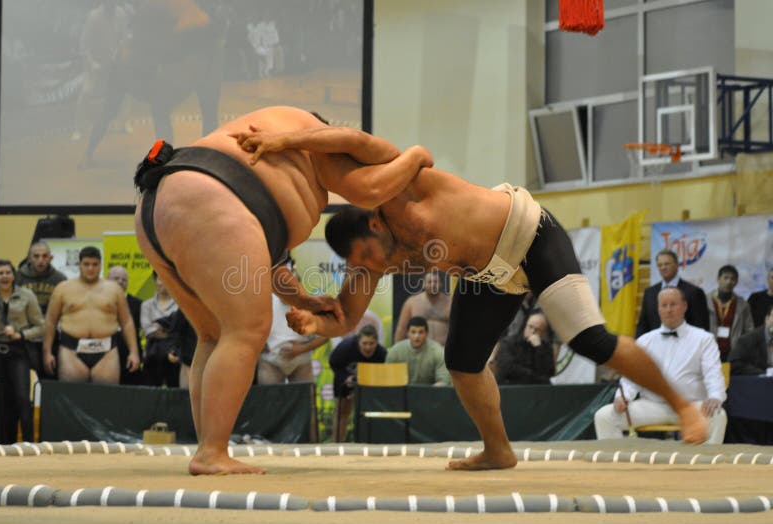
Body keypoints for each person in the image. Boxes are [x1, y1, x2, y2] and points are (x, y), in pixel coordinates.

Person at [270, 125, 708, 471]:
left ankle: (683, 405)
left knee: (589, 340)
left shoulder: (399, 188)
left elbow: (354, 141)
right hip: (487, 275)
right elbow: (346, 318)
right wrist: (316, 323)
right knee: (462, 363)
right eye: (360, 263)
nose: (371, 265)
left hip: (530, 233)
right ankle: (498, 450)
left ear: (376, 226)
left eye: (367, 254)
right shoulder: (369, 263)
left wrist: (287, 139)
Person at [132, 105, 433, 475]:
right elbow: (367, 183)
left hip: (159, 202)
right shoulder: (313, 137)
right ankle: (211, 453)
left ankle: (210, 446)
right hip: (212, 195)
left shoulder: (279, 154)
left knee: (213, 333)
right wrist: (416, 155)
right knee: (246, 331)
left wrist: (303, 300)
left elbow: (266, 264)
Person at [594, 287, 727, 444]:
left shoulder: (704, 339)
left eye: (673, 304)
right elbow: (632, 376)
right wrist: (622, 397)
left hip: (691, 405)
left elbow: (713, 373)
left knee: (719, 415)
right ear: (658, 309)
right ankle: (619, 463)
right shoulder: (645, 340)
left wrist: (715, 396)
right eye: (664, 305)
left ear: (684, 306)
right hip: (652, 406)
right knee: (603, 416)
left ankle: (706, 463)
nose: (669, 310)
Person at [43, 247, 140, 384]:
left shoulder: (114, 289)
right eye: (86, 264)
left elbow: (127, 322)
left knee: (106, 399)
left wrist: (134, 352)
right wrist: (47, 352)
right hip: (71, 351)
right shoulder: (63, 289)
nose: (90, 268)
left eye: (95, 264)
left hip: (107, 352)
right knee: (72, 400)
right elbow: (50, 321)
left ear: (100, 265)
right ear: (79, 265)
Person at [0, 260, 44, 443]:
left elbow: (41, 327)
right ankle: (6, 445)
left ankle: (30, 444)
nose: (4, 276)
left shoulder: (26, 296)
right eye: (0, 273)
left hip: (18, 353)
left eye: (8, 272)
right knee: (2, 402)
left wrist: (21, 334)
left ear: (14, 275)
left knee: (22, 399)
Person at [16, 241, 68, 380]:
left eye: (45, 256)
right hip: (25, 337)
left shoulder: (60, 279)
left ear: (51, 258)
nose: (41, 260)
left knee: (50, 376)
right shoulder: (17, 278)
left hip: (51, 337)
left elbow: (65, 309)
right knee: (27, 378)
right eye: (36, 256)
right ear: (29, 258)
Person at [328, 324, 387, 442]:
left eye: (371, 344)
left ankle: (367, 441)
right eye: (365, 343)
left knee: (366, 414)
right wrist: (346, 378)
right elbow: (333, 363)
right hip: (345, 379)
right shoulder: (346, 347)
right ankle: (337, 442)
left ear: (377, 343)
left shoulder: (381, 354)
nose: (368, 347)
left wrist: (361, 390)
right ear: (358, 342)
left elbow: (381, 376)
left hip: (368, 385)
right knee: (342, 412)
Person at [635, 249, 709, 337]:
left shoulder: (694, 292)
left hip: (686, 346)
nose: (663, 267)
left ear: (677, 265)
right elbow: (643, 325)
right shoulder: (649, 293)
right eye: (660, 265)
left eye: (667, 264)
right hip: (654, 346)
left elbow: (700, 326)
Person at [258, 293, 328, 384]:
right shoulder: (264, 302)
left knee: (305, 397)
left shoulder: (310, 305)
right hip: (270, 361)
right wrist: (258, 344)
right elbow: (247, 327)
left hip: (301, 362)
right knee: (270, 396)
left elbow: (325, 336)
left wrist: (302, 349)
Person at [489, 311, 555, 385]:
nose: (532, 331)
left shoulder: (545, 347)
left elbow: (549, 372)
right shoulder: (508, 343)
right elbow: (508, 368)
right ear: (525, 326)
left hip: (536, 389)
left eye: (537, 330)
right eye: (530, 327)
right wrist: (536, 376)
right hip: (511, 387)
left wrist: (539, 348)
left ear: (543, 333)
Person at [140, 272, 180, 387]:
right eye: (160, 279)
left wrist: (158, 325)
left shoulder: (181, 304)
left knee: (175, 391)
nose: (163, 283)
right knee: (150, 393)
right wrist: (170, 329)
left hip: (174, 353)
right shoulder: (146, 305)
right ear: (155, 281)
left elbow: (180, 330)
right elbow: (148, 331)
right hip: (152, 355)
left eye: (166, 279)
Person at [708, 265, 754, 362]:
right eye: (725, 278)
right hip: (709, 350)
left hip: (733, 352)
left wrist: (742, 348)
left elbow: (749, 330)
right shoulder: (705, 301)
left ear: (736, 282)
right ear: (718, 279)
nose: (729, 282)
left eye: (732, 279)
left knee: (731, 377)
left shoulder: (743, 305)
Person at [106, 266, 143, 385]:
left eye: (124, 279)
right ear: (107, 280)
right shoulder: (98, 302)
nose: (120, 282)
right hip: (105, 353)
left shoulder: (138, 304)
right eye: (116, 278)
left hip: (130, 356)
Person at [386, 316, 450, 385]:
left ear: (426, 334)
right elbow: (387, 378)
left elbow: (443, 380)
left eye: (421, 332)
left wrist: (432, 393)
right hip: (400, 393)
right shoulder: (395, 351)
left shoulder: (438, 351)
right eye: (413, 332)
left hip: (429, 392)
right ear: (407, 333)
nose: (417, 336)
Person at [393, 271, 451, 345]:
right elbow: (401, 328)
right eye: (429, 282)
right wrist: (397, 350)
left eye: (436, 282)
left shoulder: (450, 302)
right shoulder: (412, 302)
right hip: (419, 351)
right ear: (424, 284)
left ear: (441, 284)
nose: (433, 285)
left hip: (444, 350)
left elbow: (459, 329)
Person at [729, 305, 773, 376]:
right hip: (754, 383)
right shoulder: (748, 339)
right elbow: (734, 364)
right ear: (767, 319)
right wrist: (763, 373)